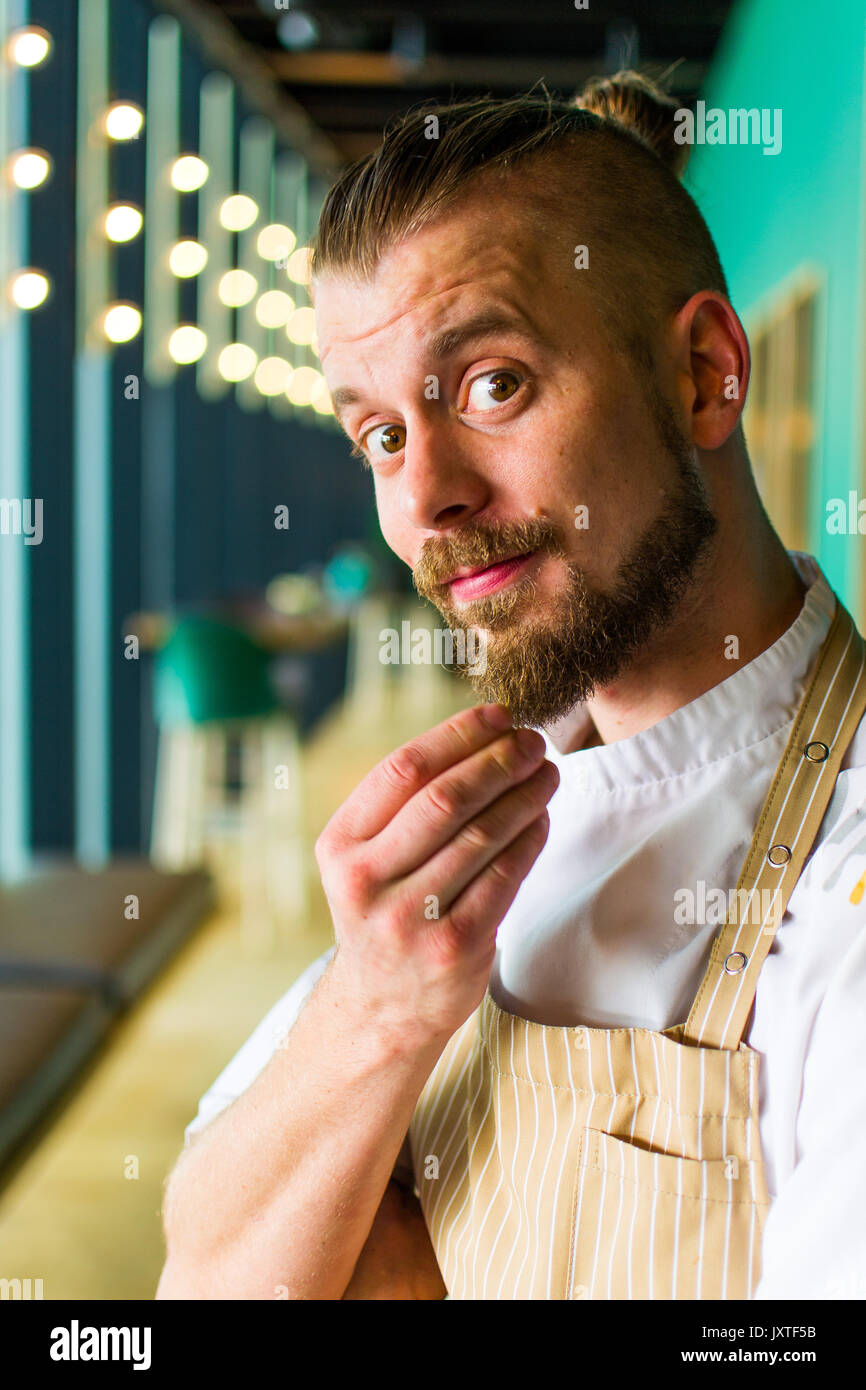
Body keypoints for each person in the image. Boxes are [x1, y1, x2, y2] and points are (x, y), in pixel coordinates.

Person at [155, 73, 866, 1301]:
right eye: (379, 432)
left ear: (703, 374)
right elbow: (200, 1267)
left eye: (491, 383)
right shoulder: (481, 799)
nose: (422, 494)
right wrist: (376, 1009)